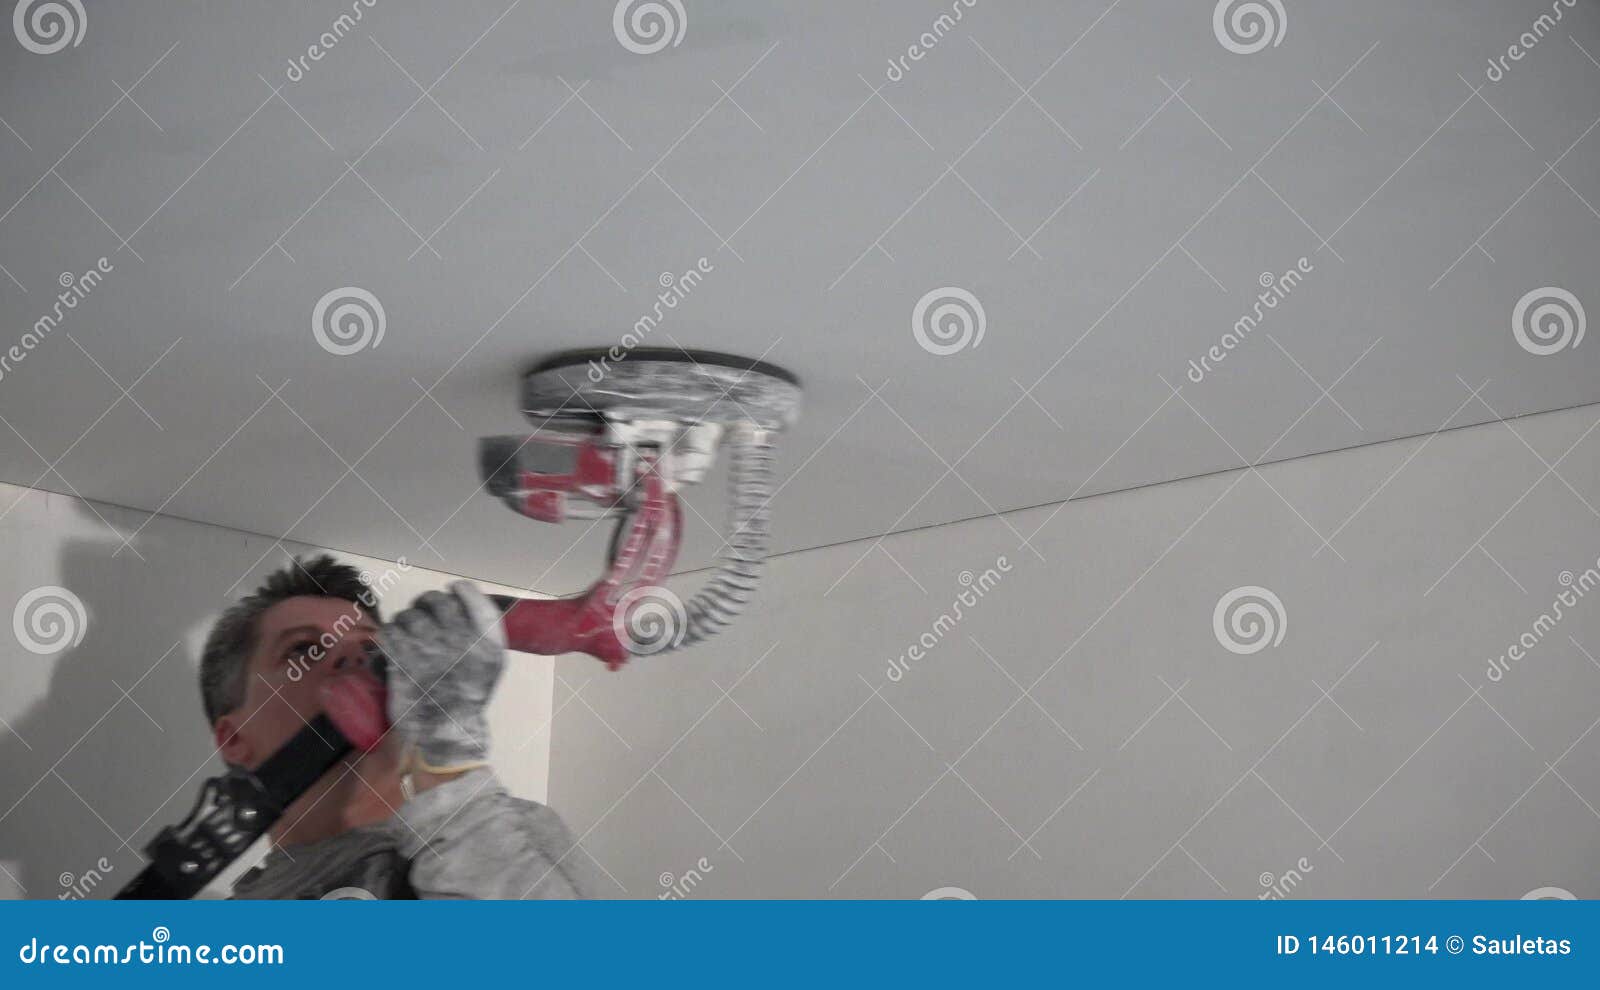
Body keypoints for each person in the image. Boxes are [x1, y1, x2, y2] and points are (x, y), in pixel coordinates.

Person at [197, 554, 594, 899]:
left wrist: (446, 760)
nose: (354, 659)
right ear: (234, 739)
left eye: (371, 648)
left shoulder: (514, 834)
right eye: (302, 649)